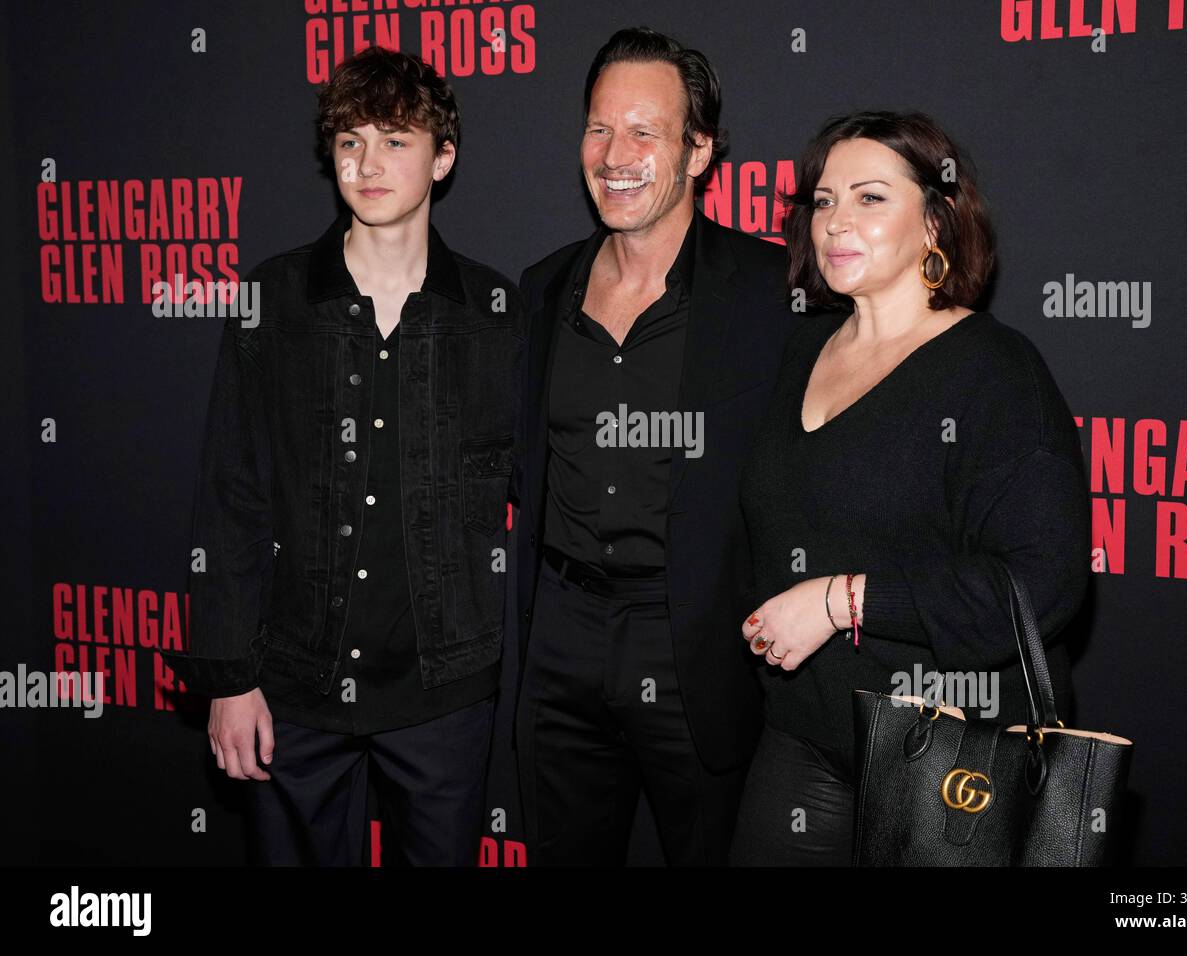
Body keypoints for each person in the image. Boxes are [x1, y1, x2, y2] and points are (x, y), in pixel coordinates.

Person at [160, 47, 524, 866]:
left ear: (445, 156)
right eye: (350, 140)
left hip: (444, 689)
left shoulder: (496, 315)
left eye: (396, 140)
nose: (369, 163)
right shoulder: (274, 301)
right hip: (294, 682)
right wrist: (227, 676)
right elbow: (232, 496)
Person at [729, 111, 1091, 866]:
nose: (834, 222)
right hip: (802, 739)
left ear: (936, 220)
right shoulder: (802, 349)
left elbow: (1040, 585)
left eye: (869, 198)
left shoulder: (994, 371)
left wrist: (842, 601)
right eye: (823, 201)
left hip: (951, 752)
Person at [509, 27, 795, 865]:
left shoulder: (770, 294)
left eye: (646, 131)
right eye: (600, 129)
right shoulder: (542, 288)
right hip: (557, 636)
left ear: (699, 150)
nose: (614, 154)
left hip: (694, 646)